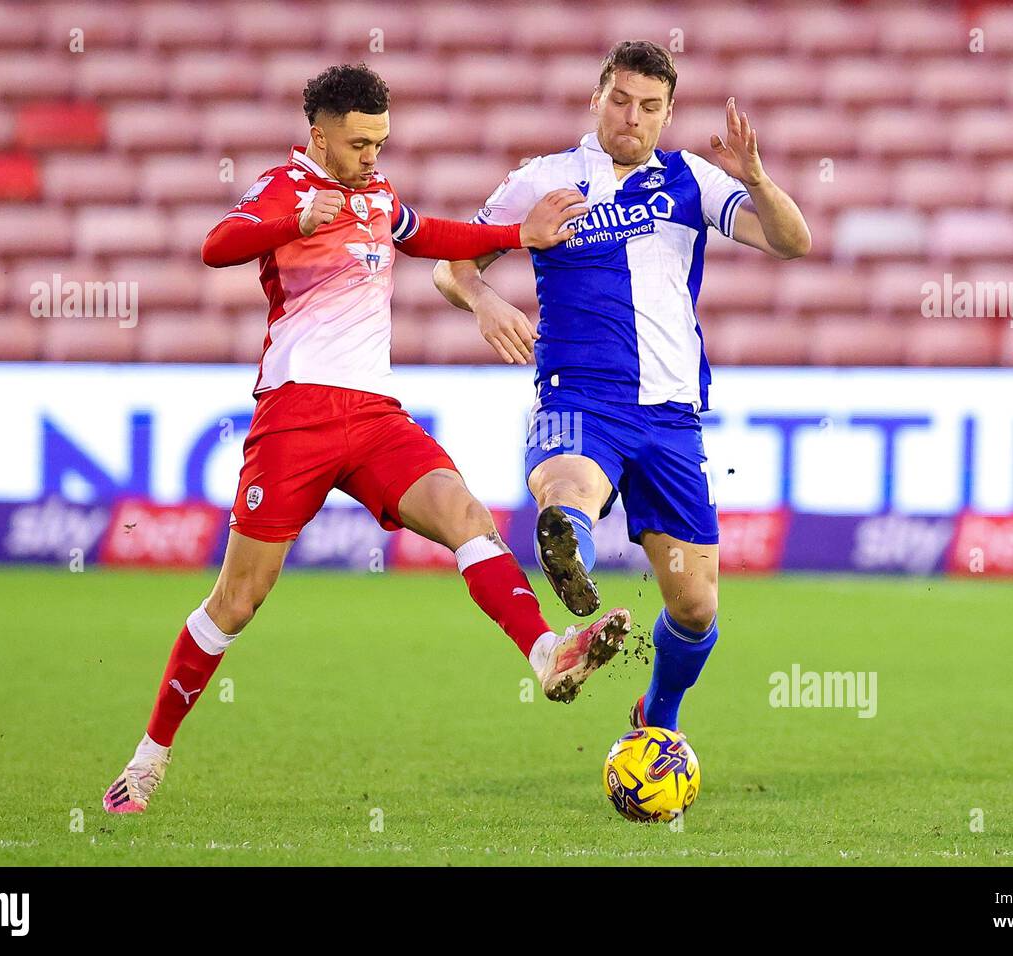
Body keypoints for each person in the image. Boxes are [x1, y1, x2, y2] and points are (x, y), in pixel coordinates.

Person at [103, 63, 629, 815]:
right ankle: (149, 757)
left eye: (380, 142)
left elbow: (432, 236)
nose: (372, 156)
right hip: (296, 416)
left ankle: (548, 654)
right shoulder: (286, 187)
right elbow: (218, 245)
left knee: (466, 517)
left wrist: (518, 234)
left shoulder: (378, 195)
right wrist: (297, 222)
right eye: (358, 144)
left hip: (375, 415)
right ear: (318, 134)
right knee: (239, 600)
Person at [433, 41, 810, 734]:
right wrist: (485, 301)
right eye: (620, 101)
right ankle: (567, 545)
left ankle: (656, 714)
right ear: (596, 99)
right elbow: (452, 266)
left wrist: (755, 178)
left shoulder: (693, 179)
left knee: (696, 610)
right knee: (569, 487)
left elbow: (792, 241)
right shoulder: (544, 181)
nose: (632, 118)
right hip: (578, 396)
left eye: (649, 106)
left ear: (667, 115)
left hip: (670, 417)